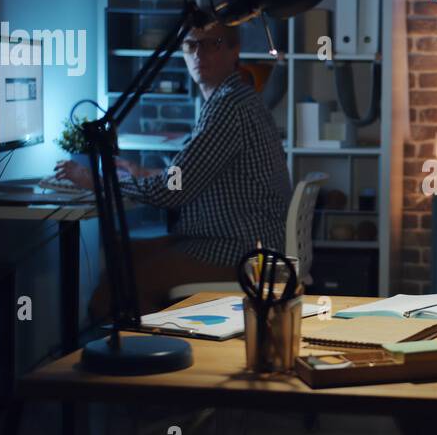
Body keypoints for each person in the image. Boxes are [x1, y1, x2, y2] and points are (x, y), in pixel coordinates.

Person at [55, 21, 292, 318]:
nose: (199, 54)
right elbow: (195, 175)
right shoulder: (233, 98)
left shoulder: (229, 107)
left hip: (238, 249)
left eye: (211, 44)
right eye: (191, 45)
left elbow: (173, 192)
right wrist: (141, 172)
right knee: (119, 253)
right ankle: (164, 335)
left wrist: (96, 182)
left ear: (235, 51)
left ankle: (173, 343)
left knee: (112, 290)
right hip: (234, 238)